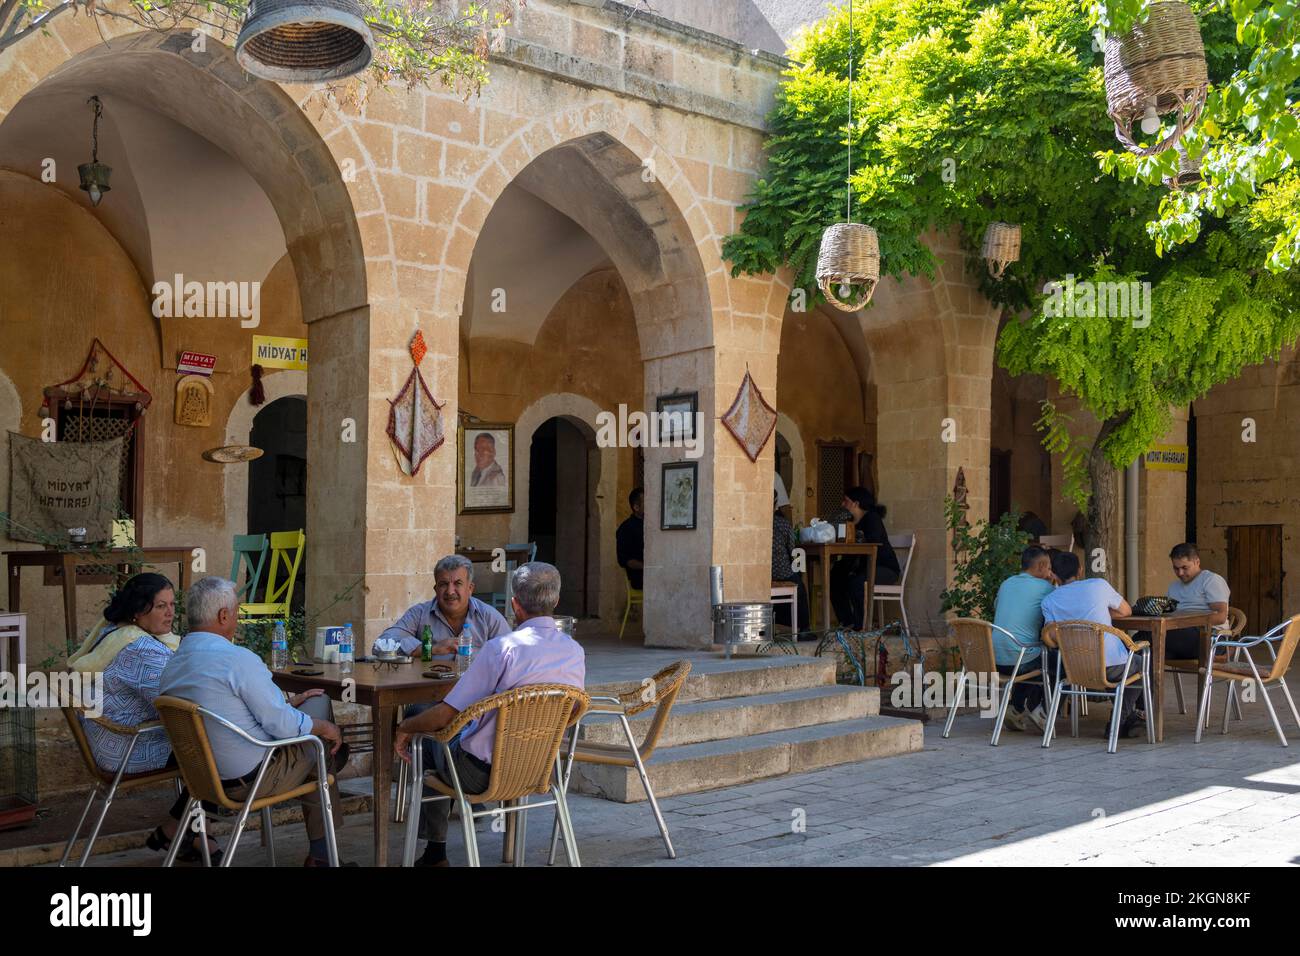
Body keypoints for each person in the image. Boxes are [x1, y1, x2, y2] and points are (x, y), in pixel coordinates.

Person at [395, 562, 585, 868]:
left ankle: (435, 851)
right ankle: (437, 850)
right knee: (439, 729)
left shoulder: (501, 649)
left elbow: (444, 716)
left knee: (424, 733)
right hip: (540, 767)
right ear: (556, 602)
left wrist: (405, 727)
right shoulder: (574, 651)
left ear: (515, 604)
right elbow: (572, 710)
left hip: (480, 773)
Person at [159, 577, 352, 867]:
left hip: (204, 780)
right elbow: (283, 727)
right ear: (223, 616)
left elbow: (231, 713)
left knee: (311, 737)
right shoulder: (237, 659)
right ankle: (324, 854)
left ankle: (323, 849)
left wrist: (287, 707)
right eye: (236, 612)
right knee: (320, 714)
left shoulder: (173, 664)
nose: (237, 619)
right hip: (251, 781)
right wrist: (327, 728)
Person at [67, 573, 218, 862]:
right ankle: (184, 831)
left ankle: (193, 834)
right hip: (127, 746)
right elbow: (181, 700)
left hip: (107, 738)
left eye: (172, 604)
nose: (171, 613)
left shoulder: (113, 631)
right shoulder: (140, 649)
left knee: (206, 743)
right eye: (161, 606)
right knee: (215, 751)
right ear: (138, 610)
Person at [1039, 551, 1143, 738]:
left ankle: (1129, 718)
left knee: (1125, 668)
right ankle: (1123, 718)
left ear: (1053, 574)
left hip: (1074, 669)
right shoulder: (1098, 585)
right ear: (1080, 570)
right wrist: (1099, 616)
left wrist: (1074, 625)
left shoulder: (1049, 600)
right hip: (1112, 665)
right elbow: (1126, 610)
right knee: (1141, 663)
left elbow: (1051, 636)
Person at [371, 554, 510, 657]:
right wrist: (430, 649)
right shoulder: (419, 614)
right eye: (443, 584)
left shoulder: (489, 617)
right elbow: (381, 645)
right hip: (427, 693)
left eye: (458, 584)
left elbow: (512, 655)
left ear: (470, 589)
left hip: (478, 694)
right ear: (435, 589)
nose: (450, 592)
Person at [990, 546, 1055, 731]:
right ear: (1042, 566)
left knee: (1031, 653)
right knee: (1059, 663)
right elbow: (1058, 613)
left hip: (994, 659)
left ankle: (1015, 708)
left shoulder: (1007, 583)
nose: (1050, 571)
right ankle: (1039, 709)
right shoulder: (1045, 587)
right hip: (1019, 660)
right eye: (1049, 567)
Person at [829, 486, 900, 630]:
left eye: (846, 501)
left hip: (885, 569)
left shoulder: (872, 518)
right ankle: (847, 622)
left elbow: (871, 545)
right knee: (835, 577)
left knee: (857, 583)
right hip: (864, 568)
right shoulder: (851, 522)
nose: (843, 504)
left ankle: (861, 626)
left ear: (856, 503)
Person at [1161, 543, 1230, 658]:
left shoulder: (1211, 580)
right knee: (1145, 648)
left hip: (1209, 637)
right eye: (1176, 568)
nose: (1180, 573)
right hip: (1180, 637)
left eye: (1184, 568)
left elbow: (1220, 616)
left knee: (1155, 636)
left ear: (1197, 562)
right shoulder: (1174, 586)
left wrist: (1183, 623)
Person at [771, 485, 809, 633]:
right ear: (775, 505)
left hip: (761, 575)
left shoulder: (755, 524)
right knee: (799, 584)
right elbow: (793, 551)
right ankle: (804, 629)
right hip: (781, 573)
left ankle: (779, 623)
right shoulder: (783, 524)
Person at [616, 487, 645, 590]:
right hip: (640, 578)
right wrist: (648, 567)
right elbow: (624, 560)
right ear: (636, 507)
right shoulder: (625, 529)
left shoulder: (651, 524)